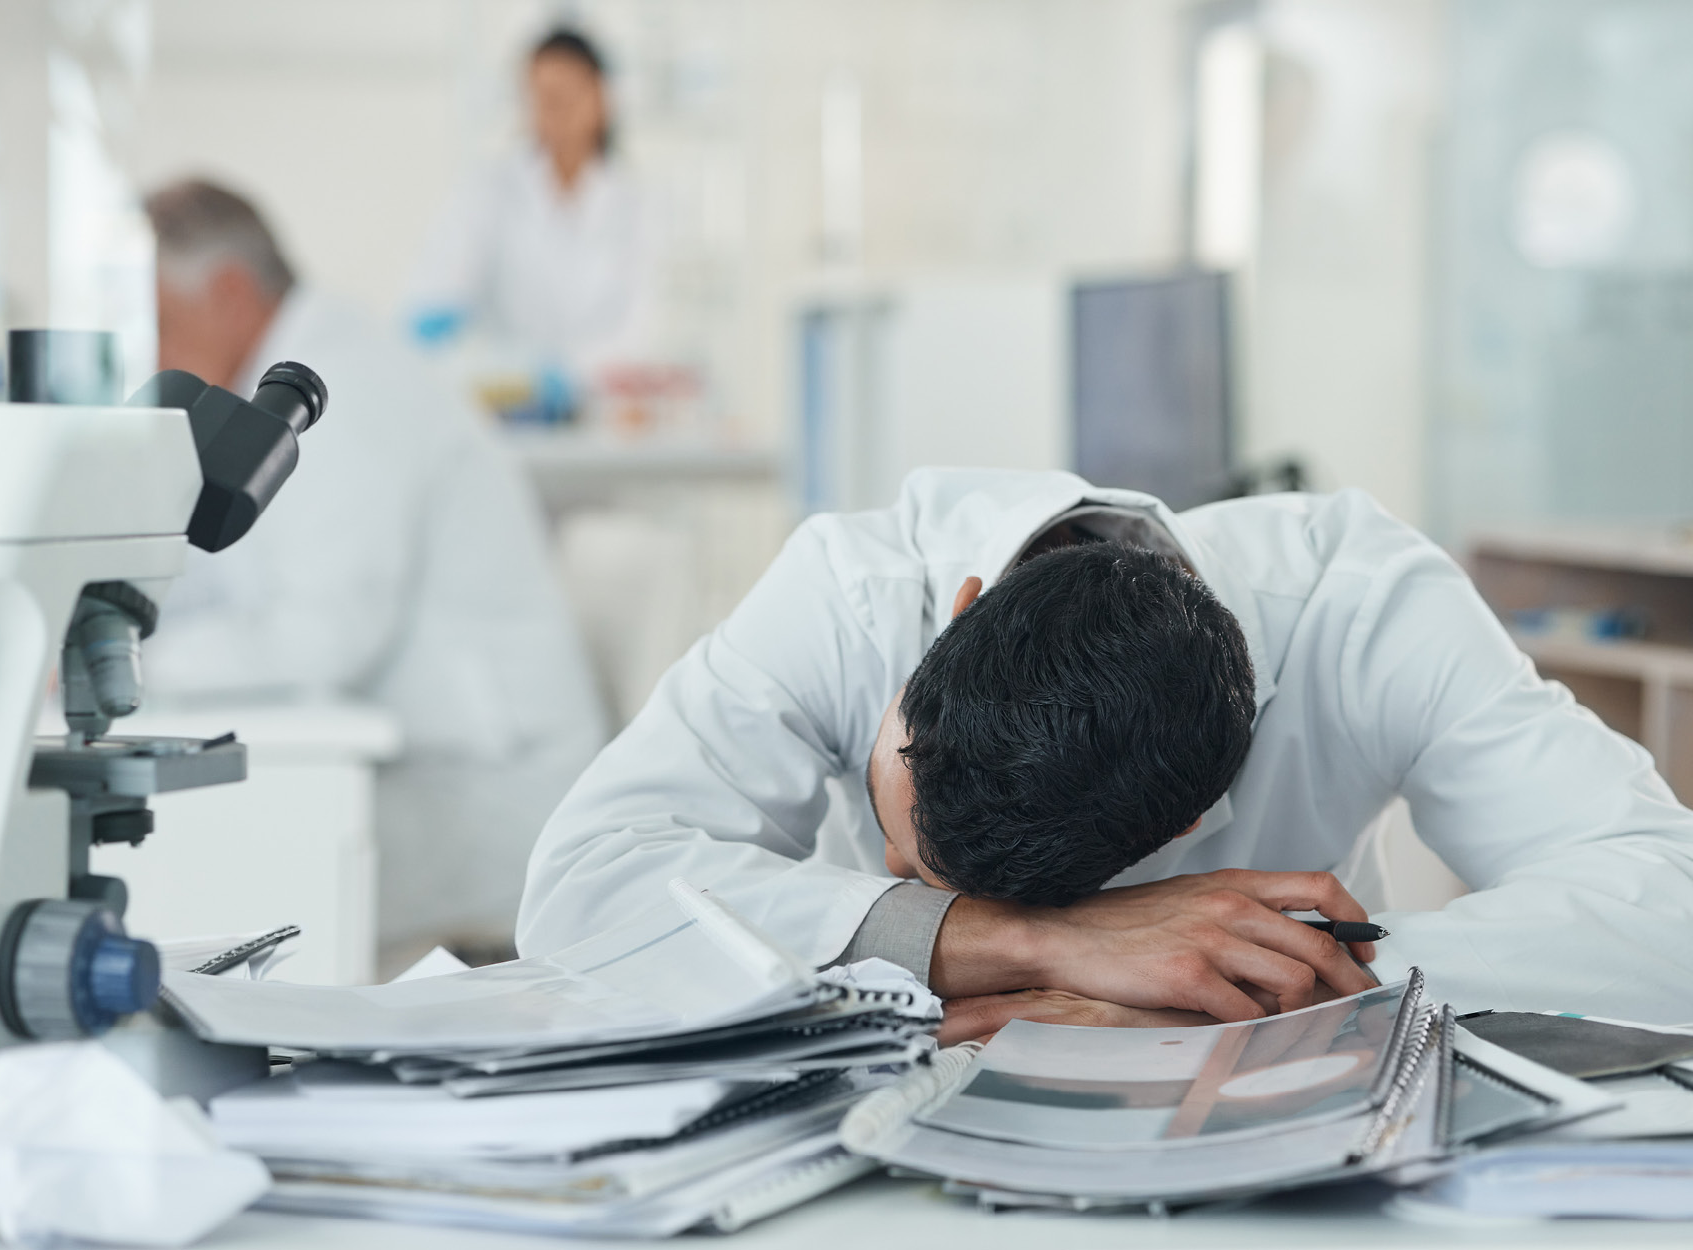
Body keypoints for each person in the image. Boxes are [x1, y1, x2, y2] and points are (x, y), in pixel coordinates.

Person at [519, 468, 1693, 1041]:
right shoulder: (853, 592)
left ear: (1191, 825)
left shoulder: (1363, 602)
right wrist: (1038, 941)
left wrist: (1245, 984)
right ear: (959, 611)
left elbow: (1667, 911)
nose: (883, 859)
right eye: (897, 824)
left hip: (1263, 1132)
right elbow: (583, 881)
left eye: (920, 871)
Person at [144, 178, 607, 961]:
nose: (156, 353)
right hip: (433, 765)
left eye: (162, 321)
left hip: (494, 796)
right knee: (196, 855)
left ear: (226, 293)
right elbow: (224, 578)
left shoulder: (342, 387)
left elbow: (327, 635)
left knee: (204, 875)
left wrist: (139, 661)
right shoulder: (284, 387)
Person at [406, 26, 653, 381]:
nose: (552, 113)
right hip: (503, 402)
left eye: (565, 97)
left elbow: (635, 327)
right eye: (541, 98)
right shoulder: (489, 188)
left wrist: (567, 373)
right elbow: (439, 286)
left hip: (600, 403)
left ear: (601, 99)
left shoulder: (634, 203)